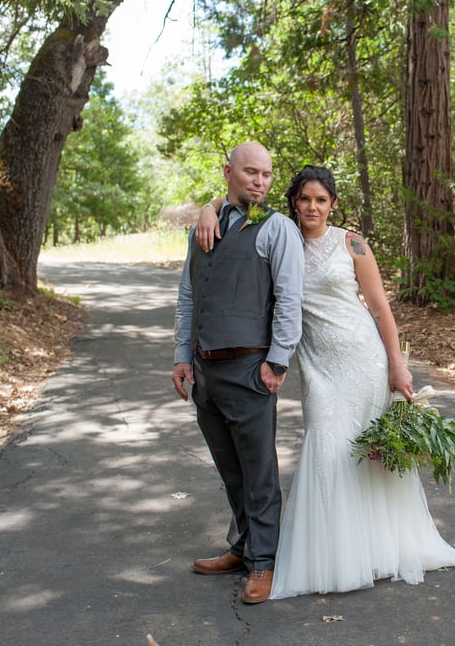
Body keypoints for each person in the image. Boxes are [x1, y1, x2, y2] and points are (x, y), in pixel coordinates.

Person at [196, 164, 455, 599]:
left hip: (363, 359)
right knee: (326, 448)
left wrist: (397, 365)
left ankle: (374, 549)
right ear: (293, 203)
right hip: (318, 367)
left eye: (321, 200)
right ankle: (330, 555)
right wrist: (209, 207)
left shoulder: (352, 243)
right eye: (304, 199)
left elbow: (380, 309)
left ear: (333, 204)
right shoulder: (277, 235)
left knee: (367, 456)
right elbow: (239, 202)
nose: (312, 207)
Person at [171, 142, 304, 604]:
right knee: (230, 470)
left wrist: (278, 361)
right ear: (229, 171)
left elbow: (289, 298)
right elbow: (190, 295)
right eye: (251, 173)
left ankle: (264, 562)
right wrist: (182, 355)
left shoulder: (277, 228)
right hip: (205, 371)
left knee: (259, 470)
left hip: (250, 368)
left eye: (266, 175)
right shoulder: (201, 228)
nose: (260, 182)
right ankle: (243, 547)